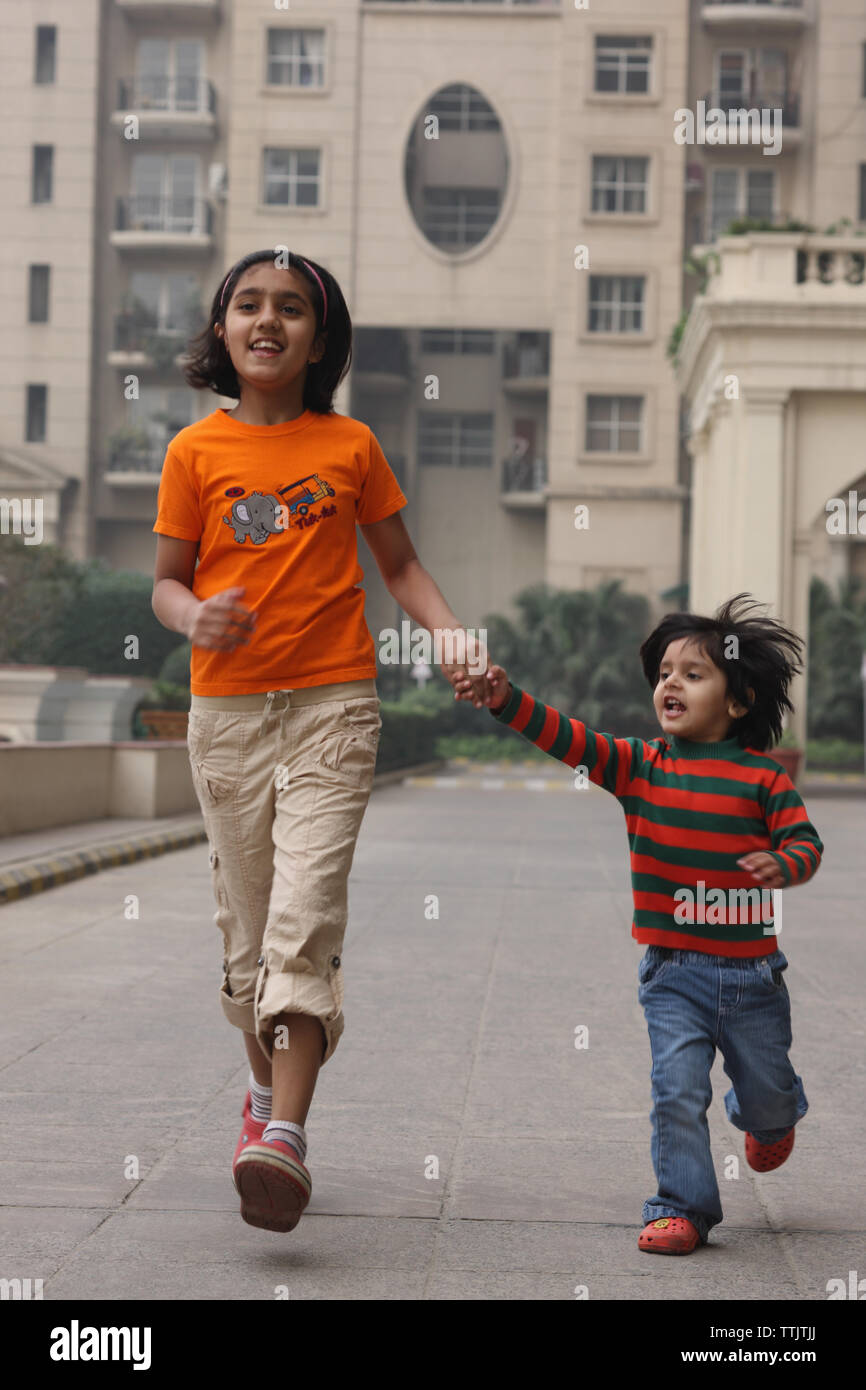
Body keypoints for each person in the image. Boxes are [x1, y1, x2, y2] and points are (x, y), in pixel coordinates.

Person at [151, 248, 492, 1232]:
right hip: (224, 719)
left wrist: (451, 635)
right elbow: (167, 580)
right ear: (222, 330)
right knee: (247, 941)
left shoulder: (349, 445)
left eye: (291, 308)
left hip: (333, 709)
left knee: (304, 921)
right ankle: (262, 1105)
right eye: (248, 304)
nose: (268, 320)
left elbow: (402, 565)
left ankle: (285, 1137)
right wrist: (191, 616)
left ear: (318, 337)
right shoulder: (192, 455)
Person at [454, 594, 823, 1255]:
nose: (670, 683)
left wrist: (784, 863)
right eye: (664, 674)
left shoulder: (765, 779)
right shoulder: (638, 766)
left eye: (693, 673)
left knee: (765, 1095)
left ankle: (773, 1113)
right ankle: (681, 1208)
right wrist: (506, 699)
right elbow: (568, 738)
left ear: (738, 702)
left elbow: (806, 846)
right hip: (673, 974)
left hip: (753, 981)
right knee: (676, 1091)